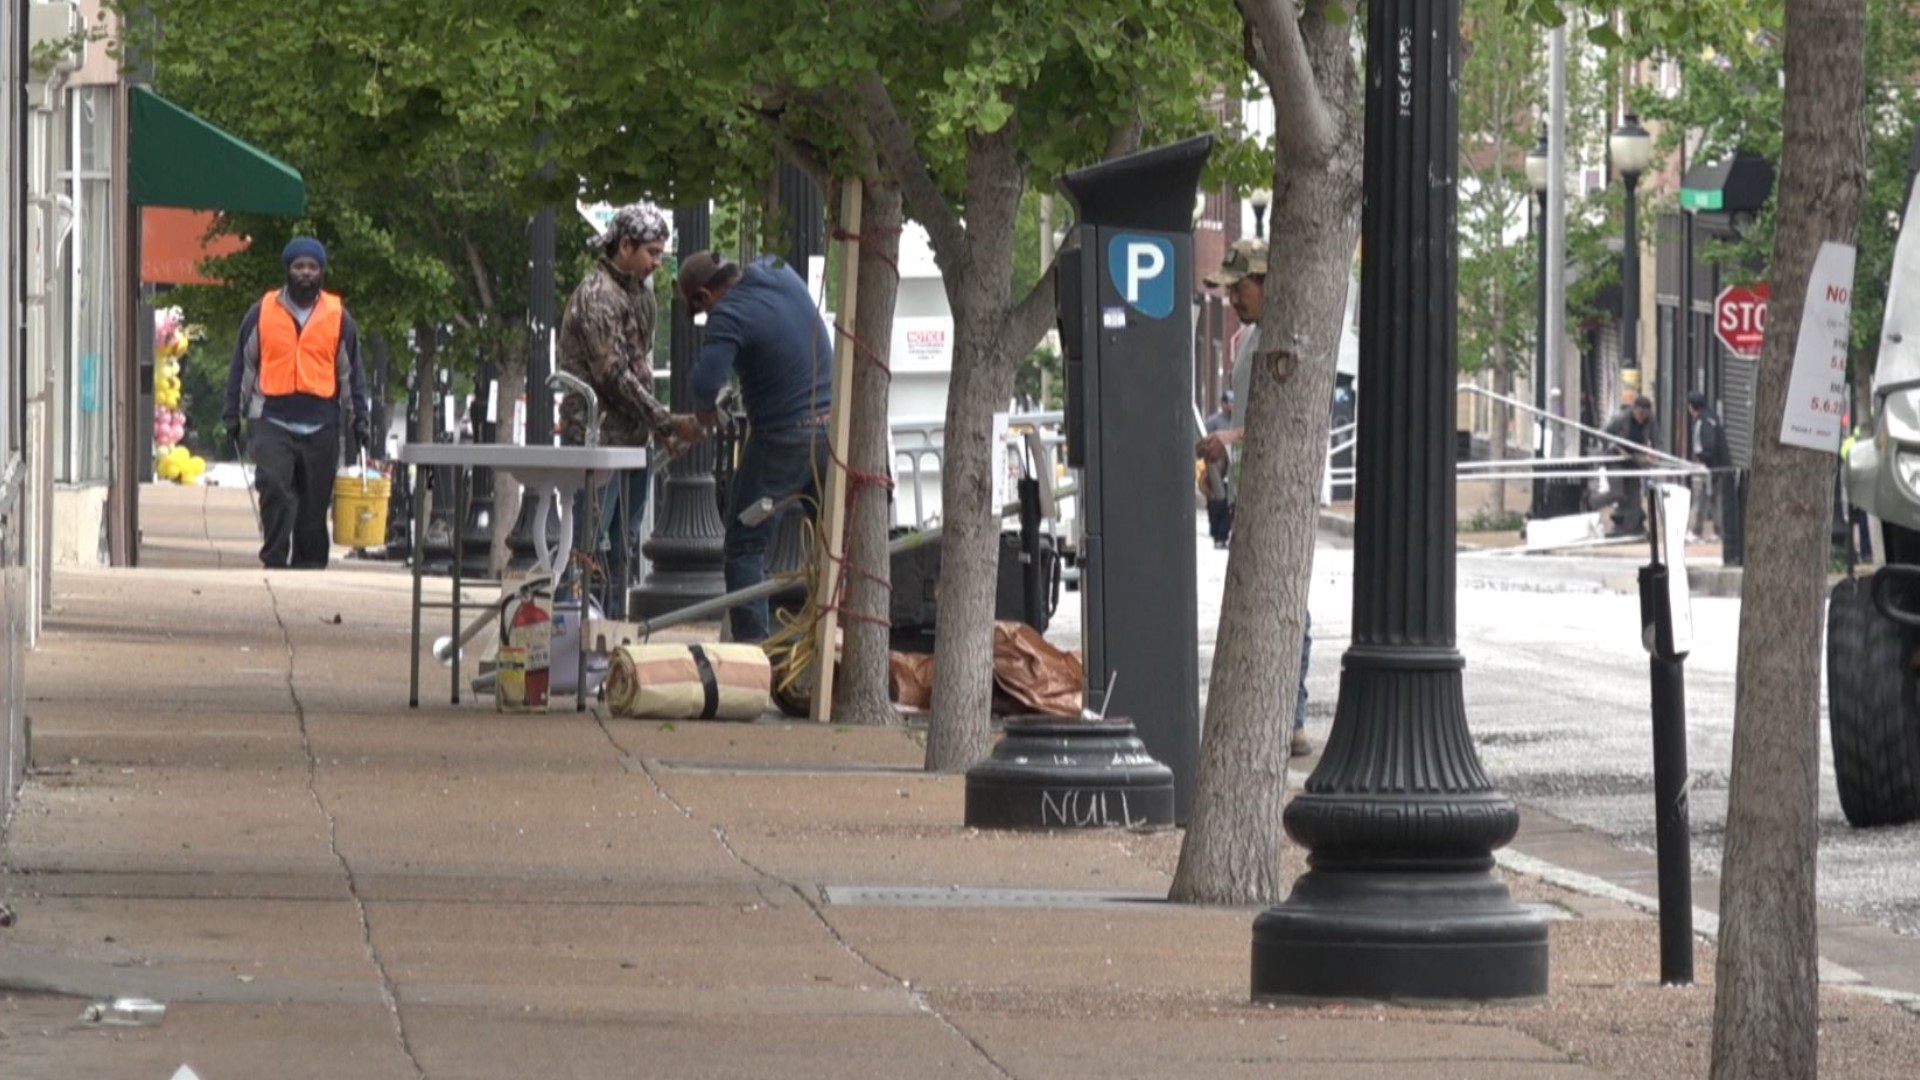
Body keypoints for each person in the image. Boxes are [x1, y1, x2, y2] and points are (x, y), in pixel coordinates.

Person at [678, 251, 834, 643]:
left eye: (700, 313)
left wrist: (703, 412)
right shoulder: (778, 269)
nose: (706, 320)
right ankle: (836, 645)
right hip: (830, 432)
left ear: (703, 296)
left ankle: (752, 656)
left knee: (745, 544)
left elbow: (704, 383)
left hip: (782, 440)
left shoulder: (727, 312)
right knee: (832, 543)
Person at [1196, 237, 1313, 757]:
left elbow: (1279, 422)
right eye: (1226, 291)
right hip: (1248, 492)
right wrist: (1222, 457)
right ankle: (1270, 715)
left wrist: (1230, 439)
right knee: (1253, 604)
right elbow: (1248, 423)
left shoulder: (1282, 343)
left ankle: (1292, 717)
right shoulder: (1248, 342)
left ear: (1265, 282)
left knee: (1287, 609)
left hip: (1278, 496)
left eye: (1238, 288)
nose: (1231, 300)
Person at [554, 202, 696, 619]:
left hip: (631, 442)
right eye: (652, 252)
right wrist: (666, 421)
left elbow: (638, 370)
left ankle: (611, 635)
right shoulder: (597, 296)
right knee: (588, 547)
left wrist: (656, 429)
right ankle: (576, 639)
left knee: (624, 547)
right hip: (596, 442)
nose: (657, 262)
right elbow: (613, 375)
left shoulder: (639, 297)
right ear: (626, 246)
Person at [223, 237, 372, 570]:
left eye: (312, 267)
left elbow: (350, 373)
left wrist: (359, 417)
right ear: (287, 271)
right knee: (275, 487)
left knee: (313, 505)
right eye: (299, 267)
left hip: (322, 421)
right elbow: (243, 365)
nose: (306, 274)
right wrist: (233, 410)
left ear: (321, 272)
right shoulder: (261, 313)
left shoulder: (339, 317)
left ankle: (310, 566)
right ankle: (274, 558)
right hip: (271, 417)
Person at [1598, 394, 1656, 537]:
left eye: (1645, 415)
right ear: (1634, 410)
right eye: (1640, 414)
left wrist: (1652, 453)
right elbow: (1604, 435)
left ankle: (1631, 526)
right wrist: (1618, 448)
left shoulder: (1650, 421)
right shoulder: (1622, 418)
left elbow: (1657, 439)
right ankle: (1591, 501)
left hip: (1634, 459)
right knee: (1618, 492)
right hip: (1616, 458)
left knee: (1634, 496)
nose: (1642, 418)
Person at [1687, 391, 1730, 542]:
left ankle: (1695, 531)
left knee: (1700, 497)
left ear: (1691, 407)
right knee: (1715, 499)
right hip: (1720, 466)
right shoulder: (1713, 418)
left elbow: (1707, 446)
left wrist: (1703, 459)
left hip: (1708, 467)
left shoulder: (1702, 422)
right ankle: (1719, 531)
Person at [1202, 391, 1235, 548]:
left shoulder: (1236, 422)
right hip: (1215, 463)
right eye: (1230, 402)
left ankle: (1223, 534)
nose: (1232, 405)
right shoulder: (1214, 421)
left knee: (1228, 499)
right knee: (1218, 498)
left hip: (1231, 464)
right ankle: (1218, 535)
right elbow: (1202, 439)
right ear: (1223, 404)